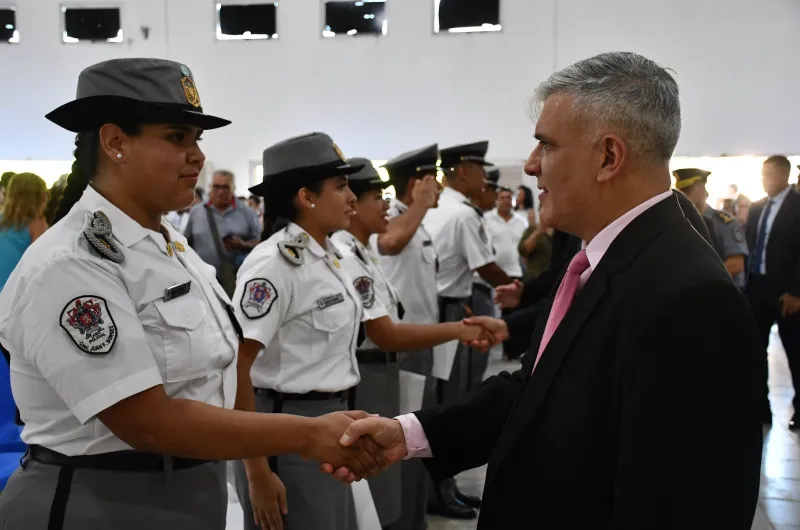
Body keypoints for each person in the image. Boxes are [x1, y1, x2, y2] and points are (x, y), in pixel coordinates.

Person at [328, 51, 763, 529]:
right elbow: (538, 389)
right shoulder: (609, 258)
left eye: (546, 146)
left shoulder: (690, 299)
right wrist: (406, 433)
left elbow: (685, 507)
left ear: (608, 157)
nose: (531, 166)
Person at [0, 59, 386, 530]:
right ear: (115, 142)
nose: (198, 155)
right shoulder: (74, 263)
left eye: (197, 139)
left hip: (185, 492)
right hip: (102, 502)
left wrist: (256, 462)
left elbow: (221, 375)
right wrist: (306, 435)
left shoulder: (170, 248)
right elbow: (147, 421)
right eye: (177, 137)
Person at [231, 134, 498, 530]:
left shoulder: (332, 257)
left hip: (334, 419)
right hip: (286, 430)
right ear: (306, 197)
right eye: (341, 188)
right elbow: (238, 366)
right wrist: (256, 472)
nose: (352, 198)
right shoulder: (273, 264)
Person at [422, 141, 513, 519]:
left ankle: (446, 487)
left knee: (444, 401)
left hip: (448, 306)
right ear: (463, 172)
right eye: (478, 169)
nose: (483, 177)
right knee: (449, 402)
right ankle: (440, 491)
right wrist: (516, 289)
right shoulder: (462, 215)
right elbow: (484, 266)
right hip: (448, 311)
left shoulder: (444, 209)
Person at [373, 144, 442, 530]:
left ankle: (416, 519)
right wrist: (418, 204)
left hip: (422, 343)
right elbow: (389, 243)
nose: (439, 189)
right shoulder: (391, 218)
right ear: (416, 183)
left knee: (419, 440)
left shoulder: (416, 220)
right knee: (401, 441)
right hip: (401, 349)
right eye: (433, 182)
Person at [745, 155, 800, 430]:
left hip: (787, 293)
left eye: (768, 174)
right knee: (755, 351)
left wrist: (796, 292)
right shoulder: (757, 208)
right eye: (762, 174)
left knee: (795, 352)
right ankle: (760, 408)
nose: (763, 179)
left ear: (782, 175)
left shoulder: (797, 206)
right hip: (758, 288)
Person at [184, 169, 261, 296]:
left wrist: (243, 245)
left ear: (233, 188)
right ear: (210, 187)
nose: (220, 191)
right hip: (202, 282)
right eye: (216, 186)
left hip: (235, 281)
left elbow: (260, 245)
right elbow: (185, 243)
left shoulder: (247, 213)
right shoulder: (197, 212)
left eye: (225, 187)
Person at [674, 168, 749, 289]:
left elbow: (736, 265)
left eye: (687, 190)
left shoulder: (724, 223)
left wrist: (699, 282)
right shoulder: (680, 222)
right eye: (681, 191)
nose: (683, 196)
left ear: (702, 189)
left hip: (724, 293)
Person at [0, 173, 48, 293]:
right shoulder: (36, 224)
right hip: (13, 290)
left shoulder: (2, 219)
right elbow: (41, 261)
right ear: (40, 197)